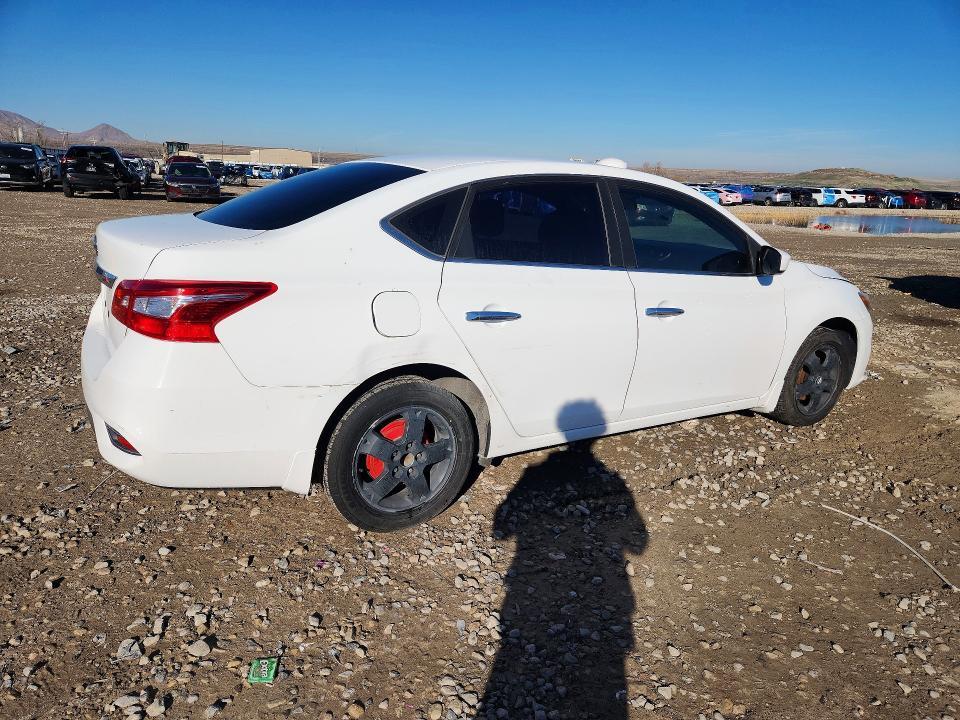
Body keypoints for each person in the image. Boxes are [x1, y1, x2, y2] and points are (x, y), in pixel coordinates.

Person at [480, 400, 648, 719]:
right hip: (601, 606)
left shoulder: (533, 474)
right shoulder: (613, 481)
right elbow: (639, 543)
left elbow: (500, 528)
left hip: (527, 598)